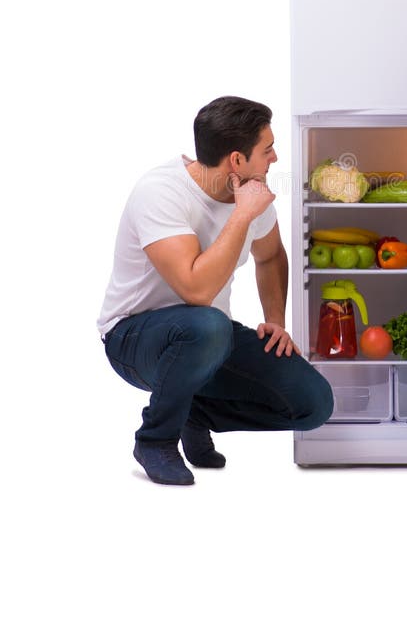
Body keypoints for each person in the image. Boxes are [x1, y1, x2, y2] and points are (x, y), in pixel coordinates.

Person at [98, 96, 333, 485]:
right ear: (237, 161)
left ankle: (192, 412)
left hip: (209, 340)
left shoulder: (252, 193)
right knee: (207, 324)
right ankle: (156, 439)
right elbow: (196, 290)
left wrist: (275, 321)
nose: (274, 158)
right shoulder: (160, 192)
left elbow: (271, 256)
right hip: (133, 339)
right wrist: (242, 214)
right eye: (267, 149)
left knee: (313, 404)